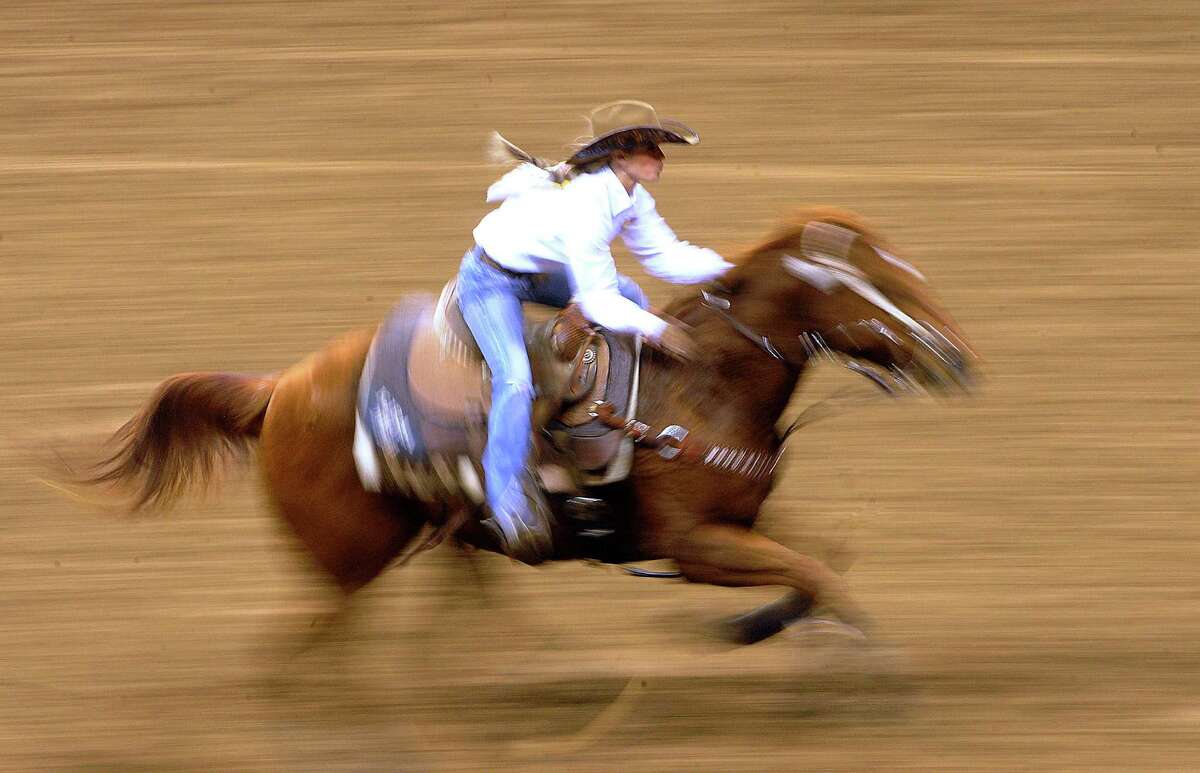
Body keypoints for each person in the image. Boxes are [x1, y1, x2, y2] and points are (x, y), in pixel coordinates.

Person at [457, 100, 733, 563]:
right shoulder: (586, 204)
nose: (661, 157)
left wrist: (733, 269)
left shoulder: (631, 198)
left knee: (630, 290)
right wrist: (656, 327)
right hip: (489, 281)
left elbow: (665, 256)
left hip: (538, 272)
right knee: (515, 379)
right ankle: (504, 499)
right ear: (620, 157)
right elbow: (599, 297)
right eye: (651, 148)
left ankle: (631, 394)